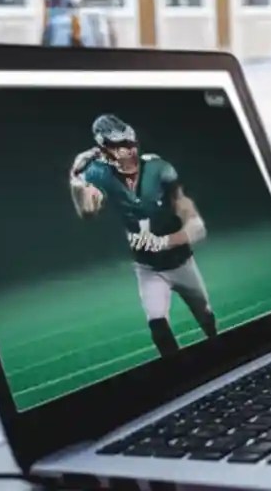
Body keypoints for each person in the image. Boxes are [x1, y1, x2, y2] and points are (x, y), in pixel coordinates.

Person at [69, 114, 216, 358]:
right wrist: (75, 179)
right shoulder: (98, 174)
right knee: (157, 323)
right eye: (118, 146)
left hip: (181, 261)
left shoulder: (158, 168)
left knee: (205, 315)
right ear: (104, 149)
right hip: (148, 267)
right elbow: (87, 211)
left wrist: (164, 241)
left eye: (129, 144)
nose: (127, 151)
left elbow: (195, 225)